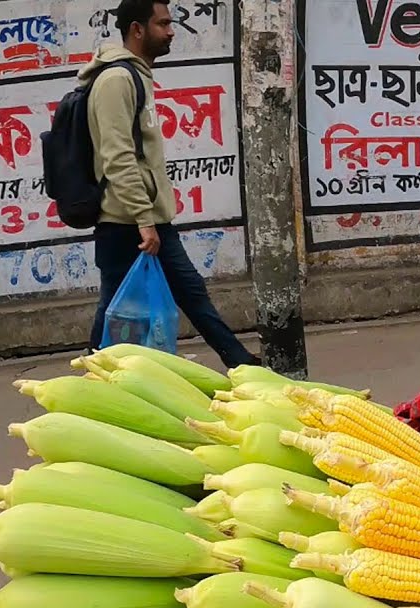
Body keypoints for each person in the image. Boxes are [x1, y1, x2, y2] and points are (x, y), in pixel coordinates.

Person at [83, 0, 256, 368]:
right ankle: (91, 373)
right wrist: (144, 218)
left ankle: (242, 365)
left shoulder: (135, 76)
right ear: (137, 29)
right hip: (125, 222)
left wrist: (151, 217)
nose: (171, 31)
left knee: (191, 294)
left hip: (147, 220)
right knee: (115, 310)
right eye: (162, 24)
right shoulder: (116, 81)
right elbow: (118, 157)